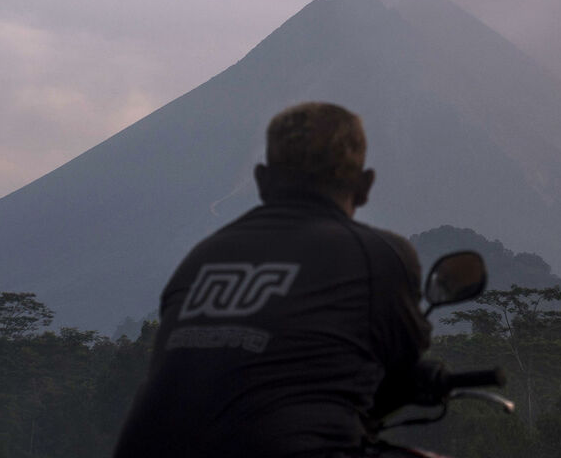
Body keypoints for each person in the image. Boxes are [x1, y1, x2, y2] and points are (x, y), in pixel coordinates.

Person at [114, 102, 431, 458]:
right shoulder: (378, 254)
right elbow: (399, 370)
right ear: (364, 185)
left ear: (262, 179)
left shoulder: (201, 257)